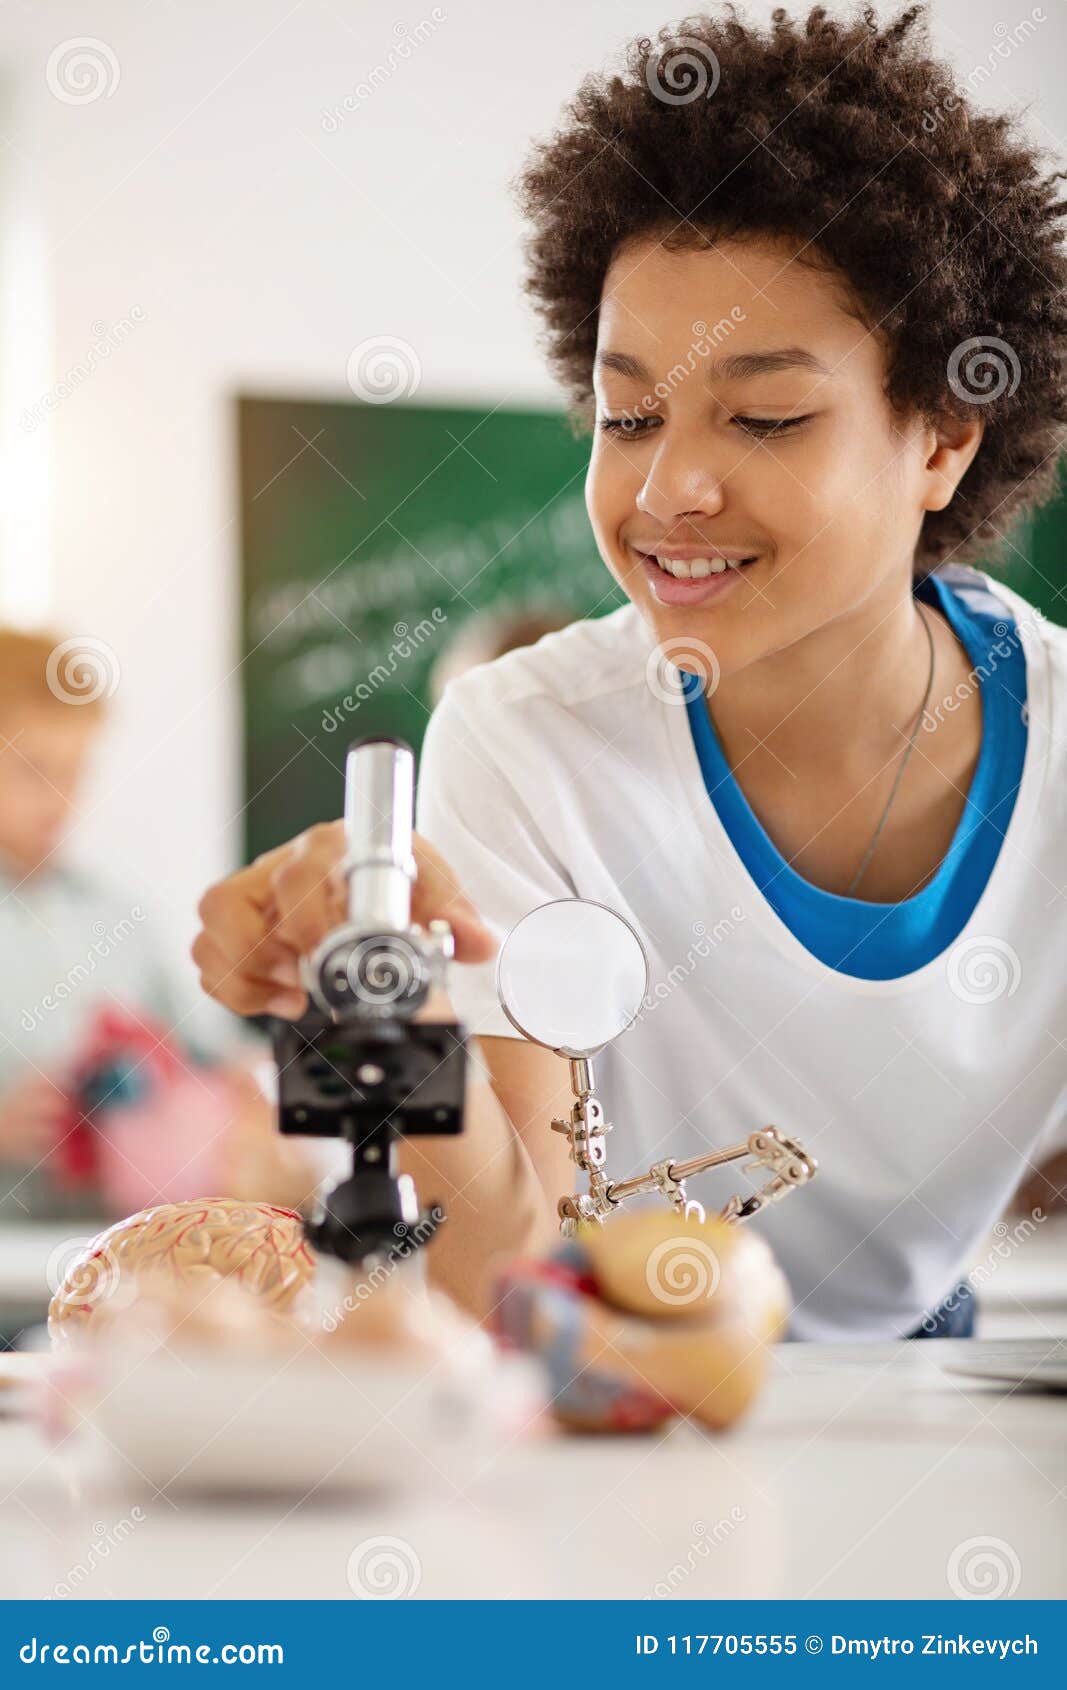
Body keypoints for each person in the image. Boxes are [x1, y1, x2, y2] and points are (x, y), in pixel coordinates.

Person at [193, 6, 1067, 1339]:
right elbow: (506, 1279)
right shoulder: (523, 739)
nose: (666, 488)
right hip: (630, 1387)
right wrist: (413, 1024)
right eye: (628, 415)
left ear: (941, 437)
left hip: (929, 1389)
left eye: (764, 416)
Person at [0, 628, 312, 1224]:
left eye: (74, 771)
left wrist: (249, 1083)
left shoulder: (115, 918)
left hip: (117, 1252)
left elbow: (212, 1053)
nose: (58, 797)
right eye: (32, 770)